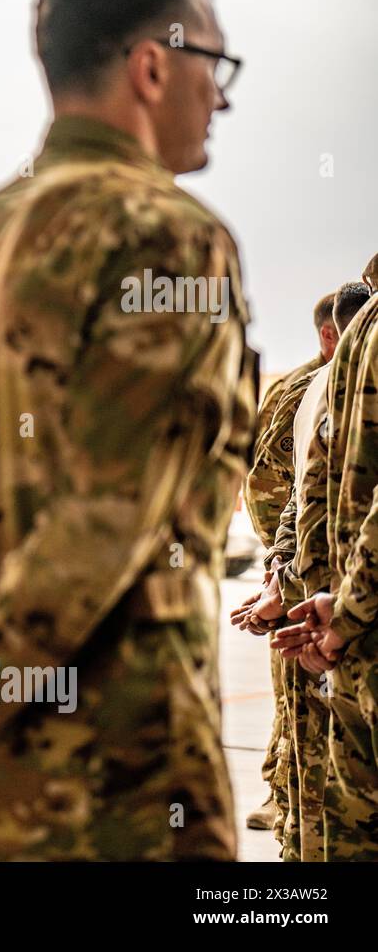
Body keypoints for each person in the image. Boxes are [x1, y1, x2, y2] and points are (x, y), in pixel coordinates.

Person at [0, 0, 255, 860]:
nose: (220, 95)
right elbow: (111, 514)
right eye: (214, 65)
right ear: (151, 67)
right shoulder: (170, 239)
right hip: (116, 797)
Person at [234, 281, 372, 860]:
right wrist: (288, 578)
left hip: (327, 600)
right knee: (320, 756)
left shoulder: (338, 369)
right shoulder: (318, 383)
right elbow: (287, 489)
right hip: (329, 604)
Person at [274, 275, 378, 860]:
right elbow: (304, 486)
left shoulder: (359, 336)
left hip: (339, 614)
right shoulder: (360, 340)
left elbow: (312, 487)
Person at [241, 290, 336, 833]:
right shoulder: (312, 387)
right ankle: (286, 795)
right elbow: (268, 484)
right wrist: (289, 568)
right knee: (298, 692)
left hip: (309, 564)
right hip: (305, 569)